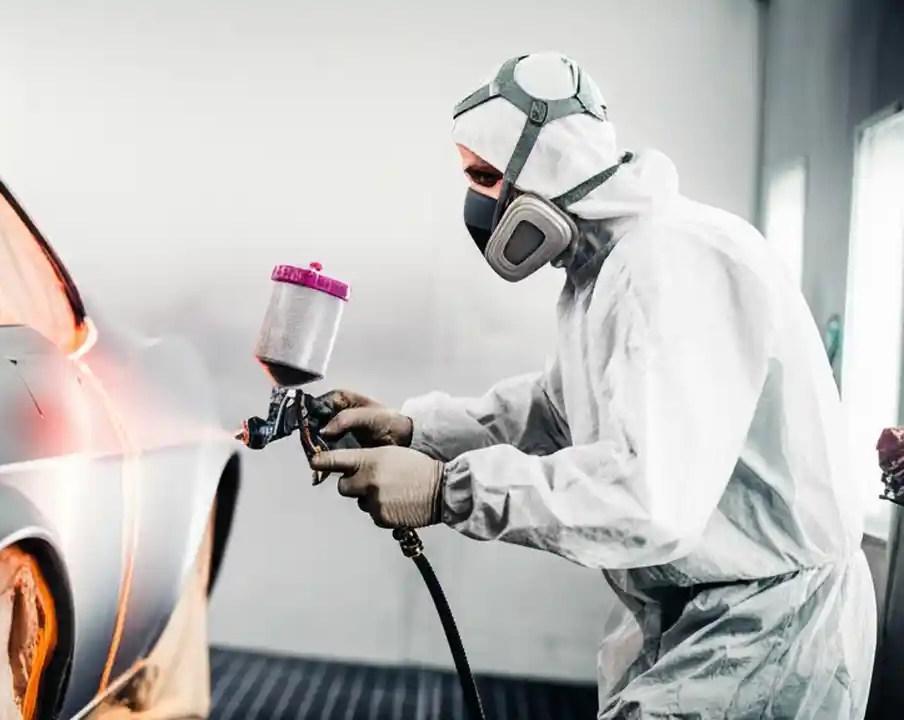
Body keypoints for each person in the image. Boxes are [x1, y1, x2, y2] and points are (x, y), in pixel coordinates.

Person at [309, 52, 877, 719]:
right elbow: (558, 411)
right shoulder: (602, 267)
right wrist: (417, 430)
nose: (477, 204)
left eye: (486, 178)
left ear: (546, 173)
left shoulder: (670, 263)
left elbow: (645, 497)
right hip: (703, 608)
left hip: (767, 626)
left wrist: (446, 490)